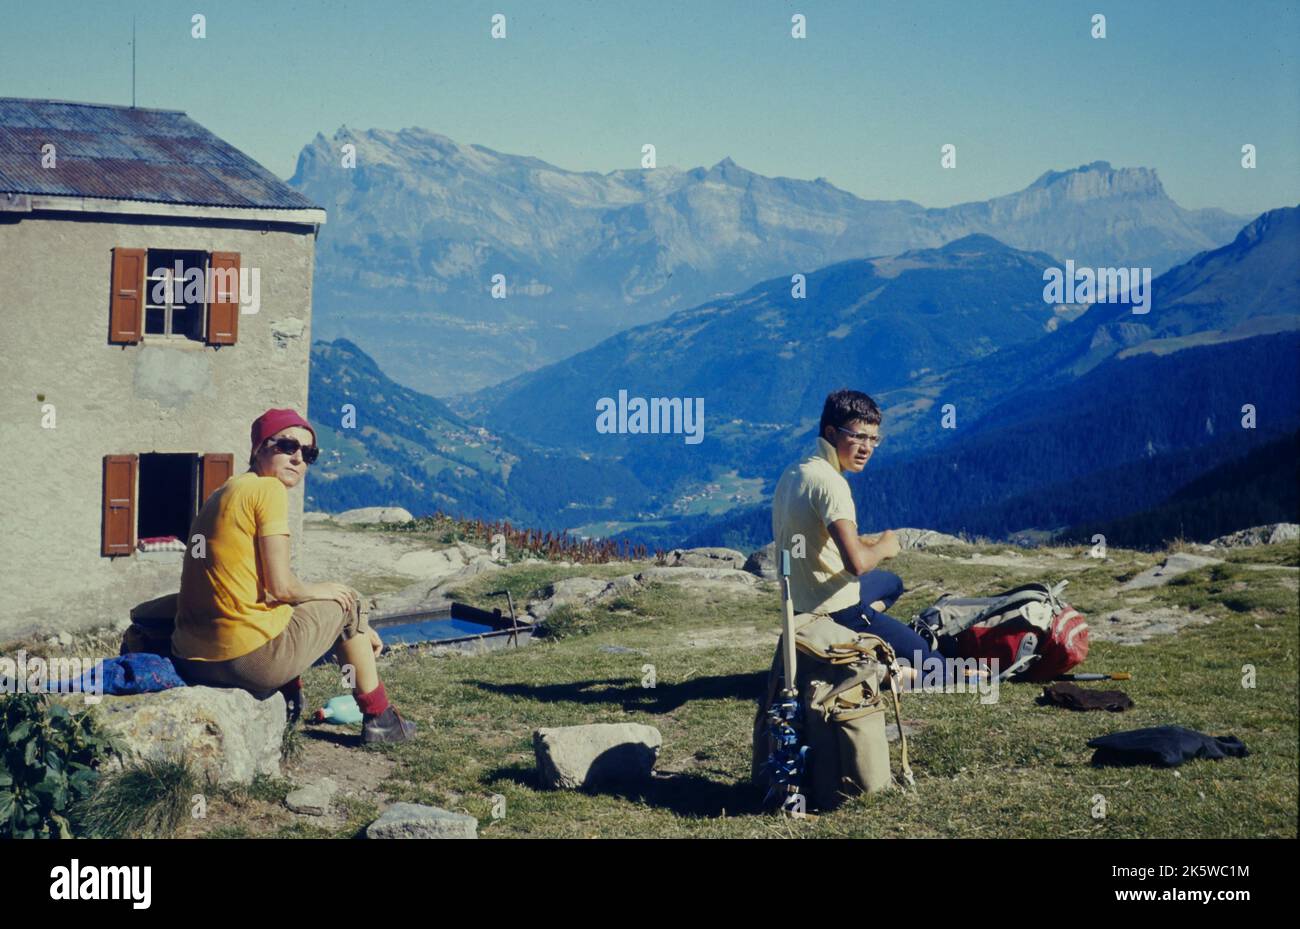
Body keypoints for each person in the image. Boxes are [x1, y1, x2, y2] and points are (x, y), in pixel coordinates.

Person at [171, 408, 416, 743]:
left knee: (328, 607)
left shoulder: (224, 491)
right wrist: (343, 604)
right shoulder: (268, 490)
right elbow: (282, 589)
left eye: (309, 453)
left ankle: (290, 694)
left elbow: (259, 592)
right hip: (247, 662)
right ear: (259, 448)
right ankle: (381, 718)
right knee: (348, 600)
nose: (299, 458)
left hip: (192, 660)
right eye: (287, 446)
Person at [772, 389, 977, 686]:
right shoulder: (831, 484)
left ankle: (865, 637)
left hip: (799, 606)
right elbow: (856, 565)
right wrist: (884, 547)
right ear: (831, 433)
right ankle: (871, 654)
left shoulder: (795, 472)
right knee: (934, 662)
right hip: (837, 610)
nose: (867, 448)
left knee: (891, 583)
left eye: (873, 439)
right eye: (858, 437)